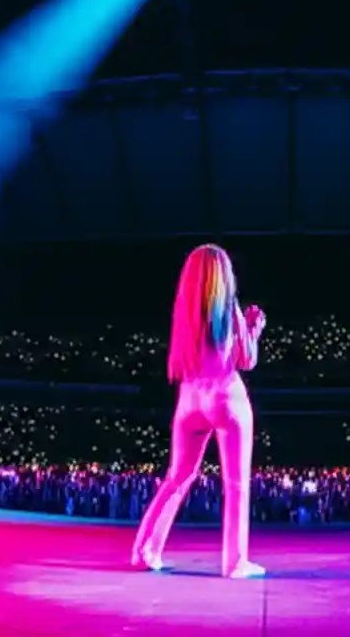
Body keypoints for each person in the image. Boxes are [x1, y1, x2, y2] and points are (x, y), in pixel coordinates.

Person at [131, 244, 267, 579]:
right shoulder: (229, 309)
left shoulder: (184, 314)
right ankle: (235, 562)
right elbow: (246, 360)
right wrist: (254, 330)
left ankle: (145, 550)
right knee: (236, 484)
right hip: (226, 398)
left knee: (176, 478)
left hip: (190, 400)